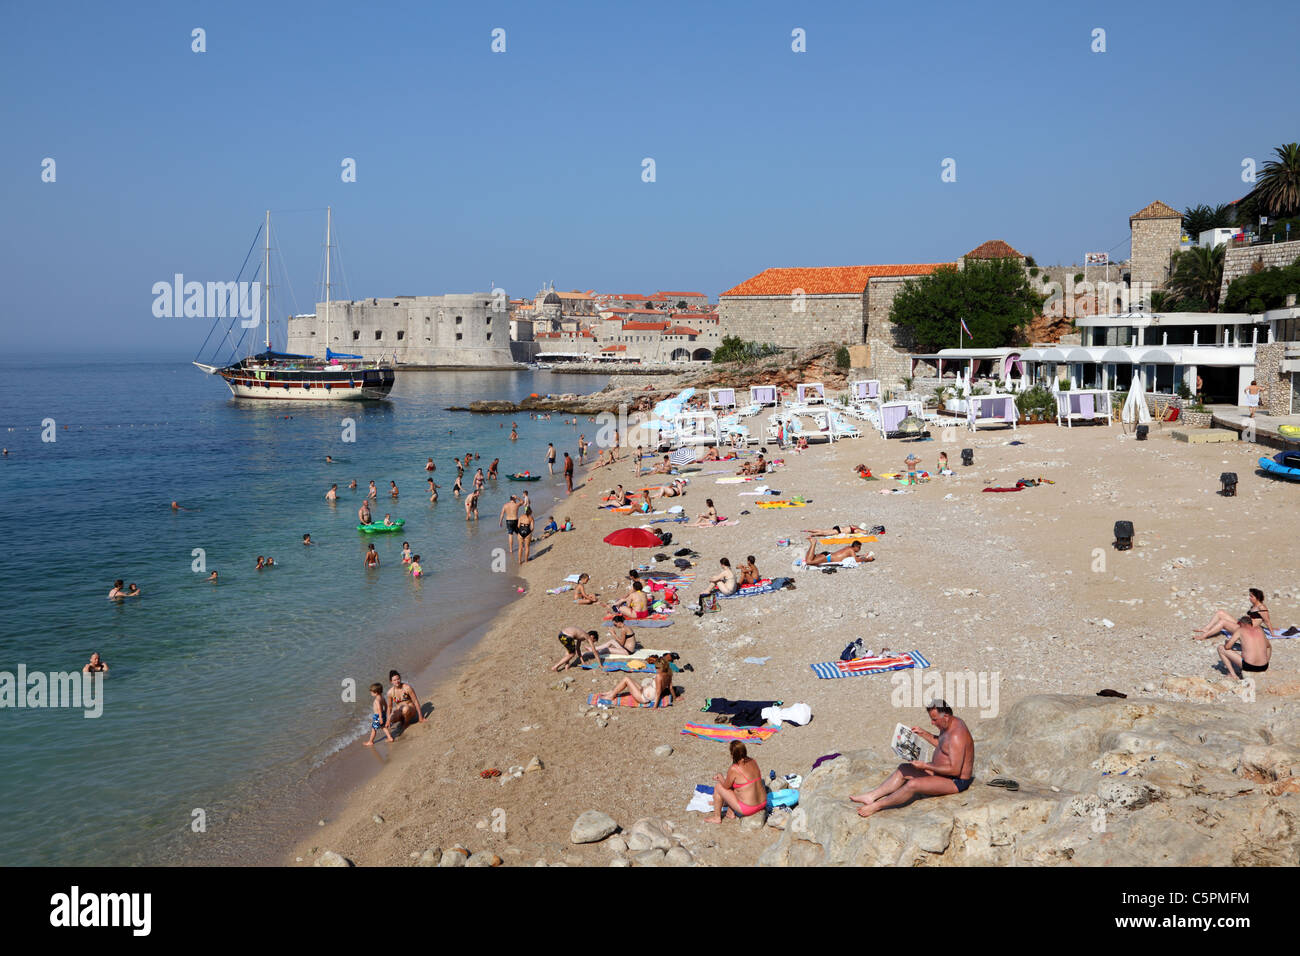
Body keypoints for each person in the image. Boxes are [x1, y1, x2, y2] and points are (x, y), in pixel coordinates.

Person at [851, 701, 974, 817]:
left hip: (955, 781)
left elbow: (955, 770)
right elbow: (944, 745)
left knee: (913, 785)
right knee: (903, 769)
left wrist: (925, 766)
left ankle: (877, 806)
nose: (932, 723)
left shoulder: (957, 735)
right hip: (941, 772)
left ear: (946, 716)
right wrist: (924, 733)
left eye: (934, 720)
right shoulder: (948, 724)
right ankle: (871, 796)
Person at [705, 740, 766, 823]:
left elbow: (726, 786)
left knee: (719, 787)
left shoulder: (734, 769)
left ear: (732, 754)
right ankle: (730, 812)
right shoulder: (753, 761)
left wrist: (720, 777)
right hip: (763, 802)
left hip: (749, 808)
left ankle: (717, 818)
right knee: (739, 786)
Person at [1193, 588, 1272, 640]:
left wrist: (1272, 633)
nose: (1249, 598)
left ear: (1257, 597)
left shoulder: (1262, 608)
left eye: (1251, 596)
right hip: (1242, 624)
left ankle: (1204, 636)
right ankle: (1206, 628)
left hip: (1247, 630)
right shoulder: (1254, 606)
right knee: (1220, 612)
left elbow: (1267, 621)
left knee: (1223, 622)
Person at [597, 655, 673, 706]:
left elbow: (658, 692)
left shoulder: (659, 676)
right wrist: (676, 698)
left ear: (662, 667)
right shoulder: (669, 673)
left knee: (626, 679)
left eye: (657, 668)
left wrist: (655, 706)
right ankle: (612, 692)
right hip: (644, 691)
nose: (656, 669)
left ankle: (611, 696)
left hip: (643, 698)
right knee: (629, 679)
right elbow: (670, 687)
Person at [804, 536, 873, 565]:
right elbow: (856, 560)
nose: (859, 549)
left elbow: (853, 556)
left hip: (827, 554)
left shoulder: (848, 548)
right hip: (828, 558)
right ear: (856, 547)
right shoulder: (851, 550)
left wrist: (863, 555)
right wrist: (867, 559)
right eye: (859, 548)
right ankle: (813, 543)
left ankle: (812, 544)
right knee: (809, 562)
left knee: (809, 558)